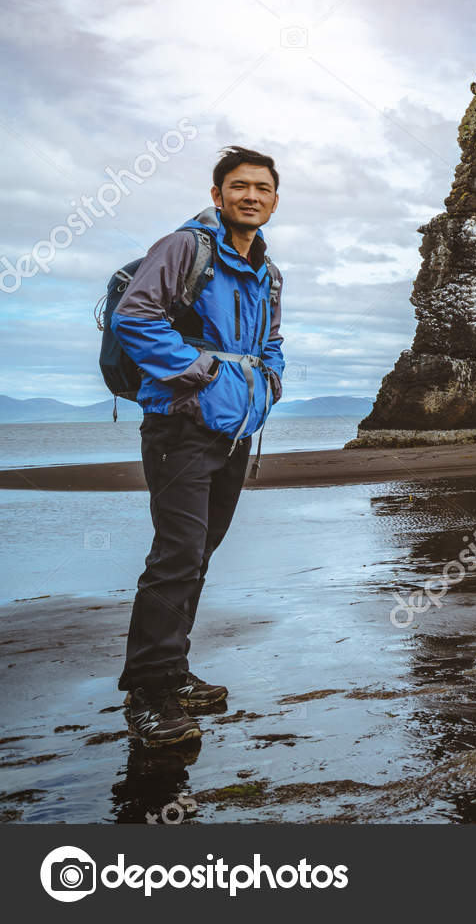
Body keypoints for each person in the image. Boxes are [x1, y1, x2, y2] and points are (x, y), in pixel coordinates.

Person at [110, 147, 285, 746]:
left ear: (275, 200)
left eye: (262, 188)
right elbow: (134, 318)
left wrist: (270, 385)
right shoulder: (185, 248)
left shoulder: (267, 270)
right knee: (176, 557)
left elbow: (273, 340)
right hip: (179, 428)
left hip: (233, 434)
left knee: (198, 555)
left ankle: (173, 672)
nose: (251, 196)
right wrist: (199, 373)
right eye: (239, 186)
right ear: (218, 195)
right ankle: (148, 694)